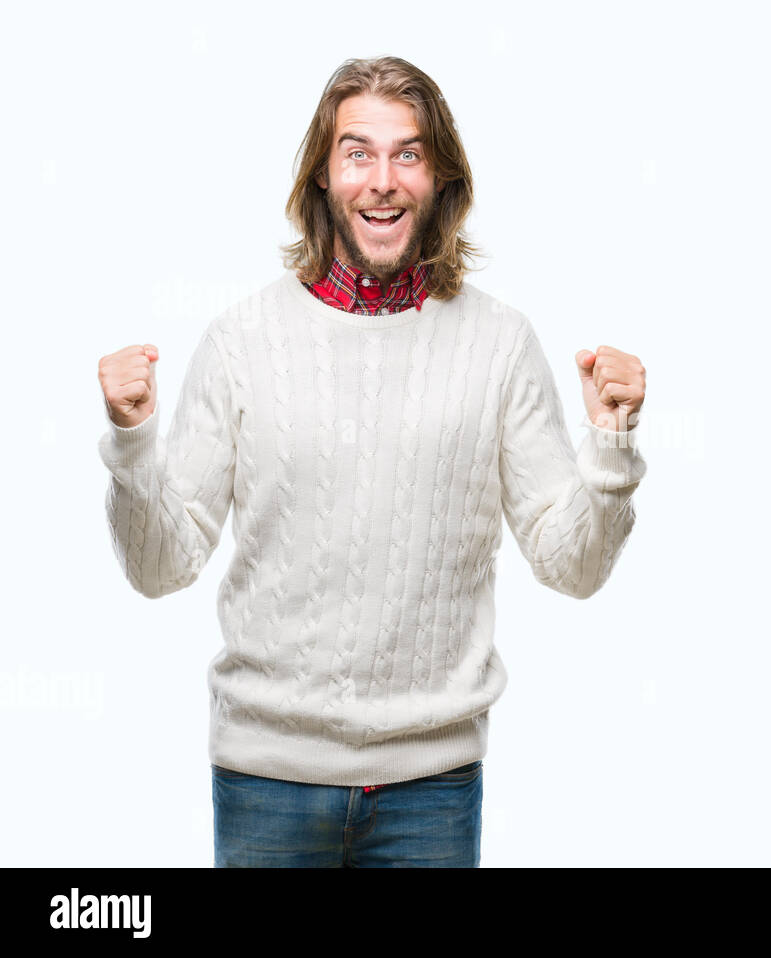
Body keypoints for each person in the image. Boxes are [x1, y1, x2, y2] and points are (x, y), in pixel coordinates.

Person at [95, 56, 648, 868]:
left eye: (408, 154)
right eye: (358, 153)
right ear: (323, 177)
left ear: (440, 178)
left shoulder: (499, 345)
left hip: (432, 787)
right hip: (265, 780)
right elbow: (158, 567)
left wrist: (610, 444)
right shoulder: (242, 342)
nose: (382, 180)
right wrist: (134, 441)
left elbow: (572, 568)